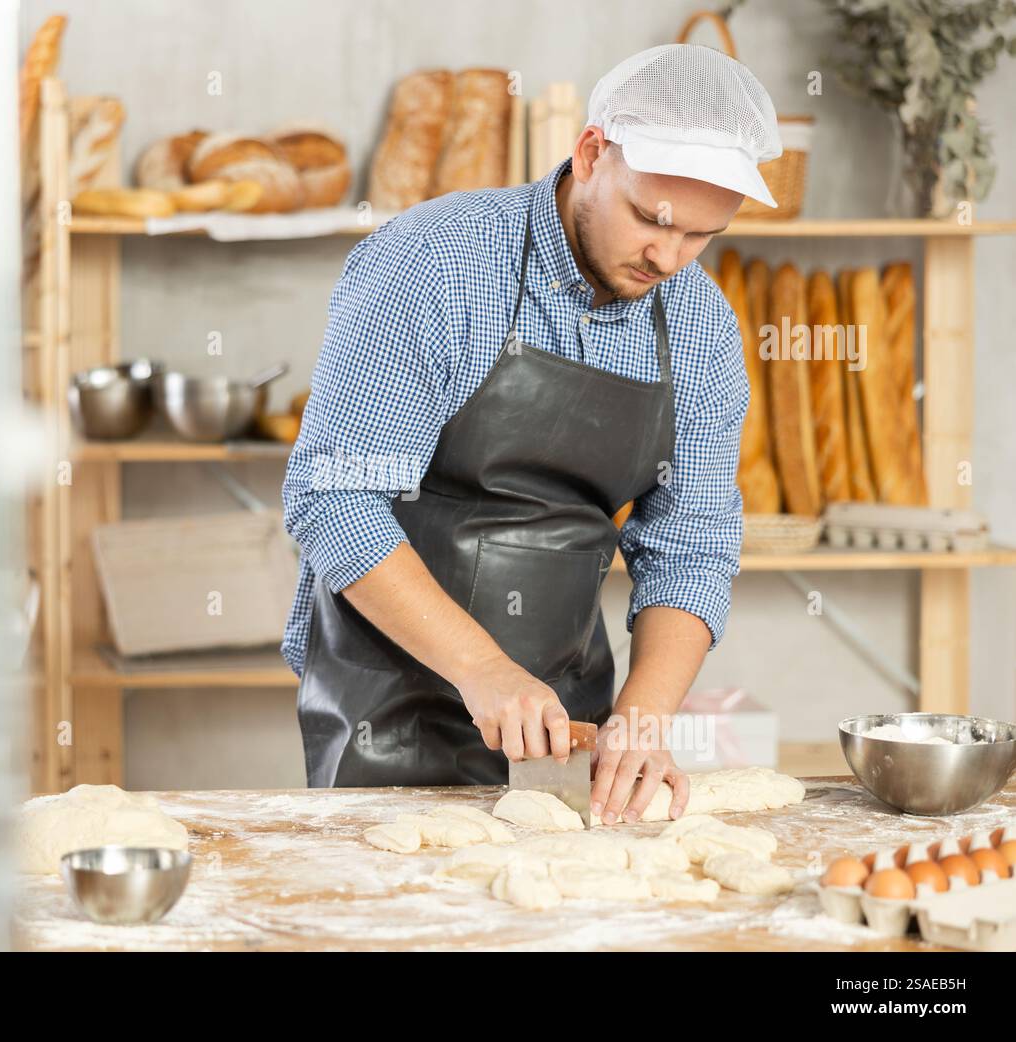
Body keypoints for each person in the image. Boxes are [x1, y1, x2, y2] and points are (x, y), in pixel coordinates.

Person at [281, 44, 781, 824]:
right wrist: (482, 667)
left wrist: (642, 717)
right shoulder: (433, 261)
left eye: (700, 237)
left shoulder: (699, 326)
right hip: (391, 694)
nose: (668, 257)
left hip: (565, 711)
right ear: (590, 154)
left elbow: (692, 547)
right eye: (653, 219)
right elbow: (334, 499)